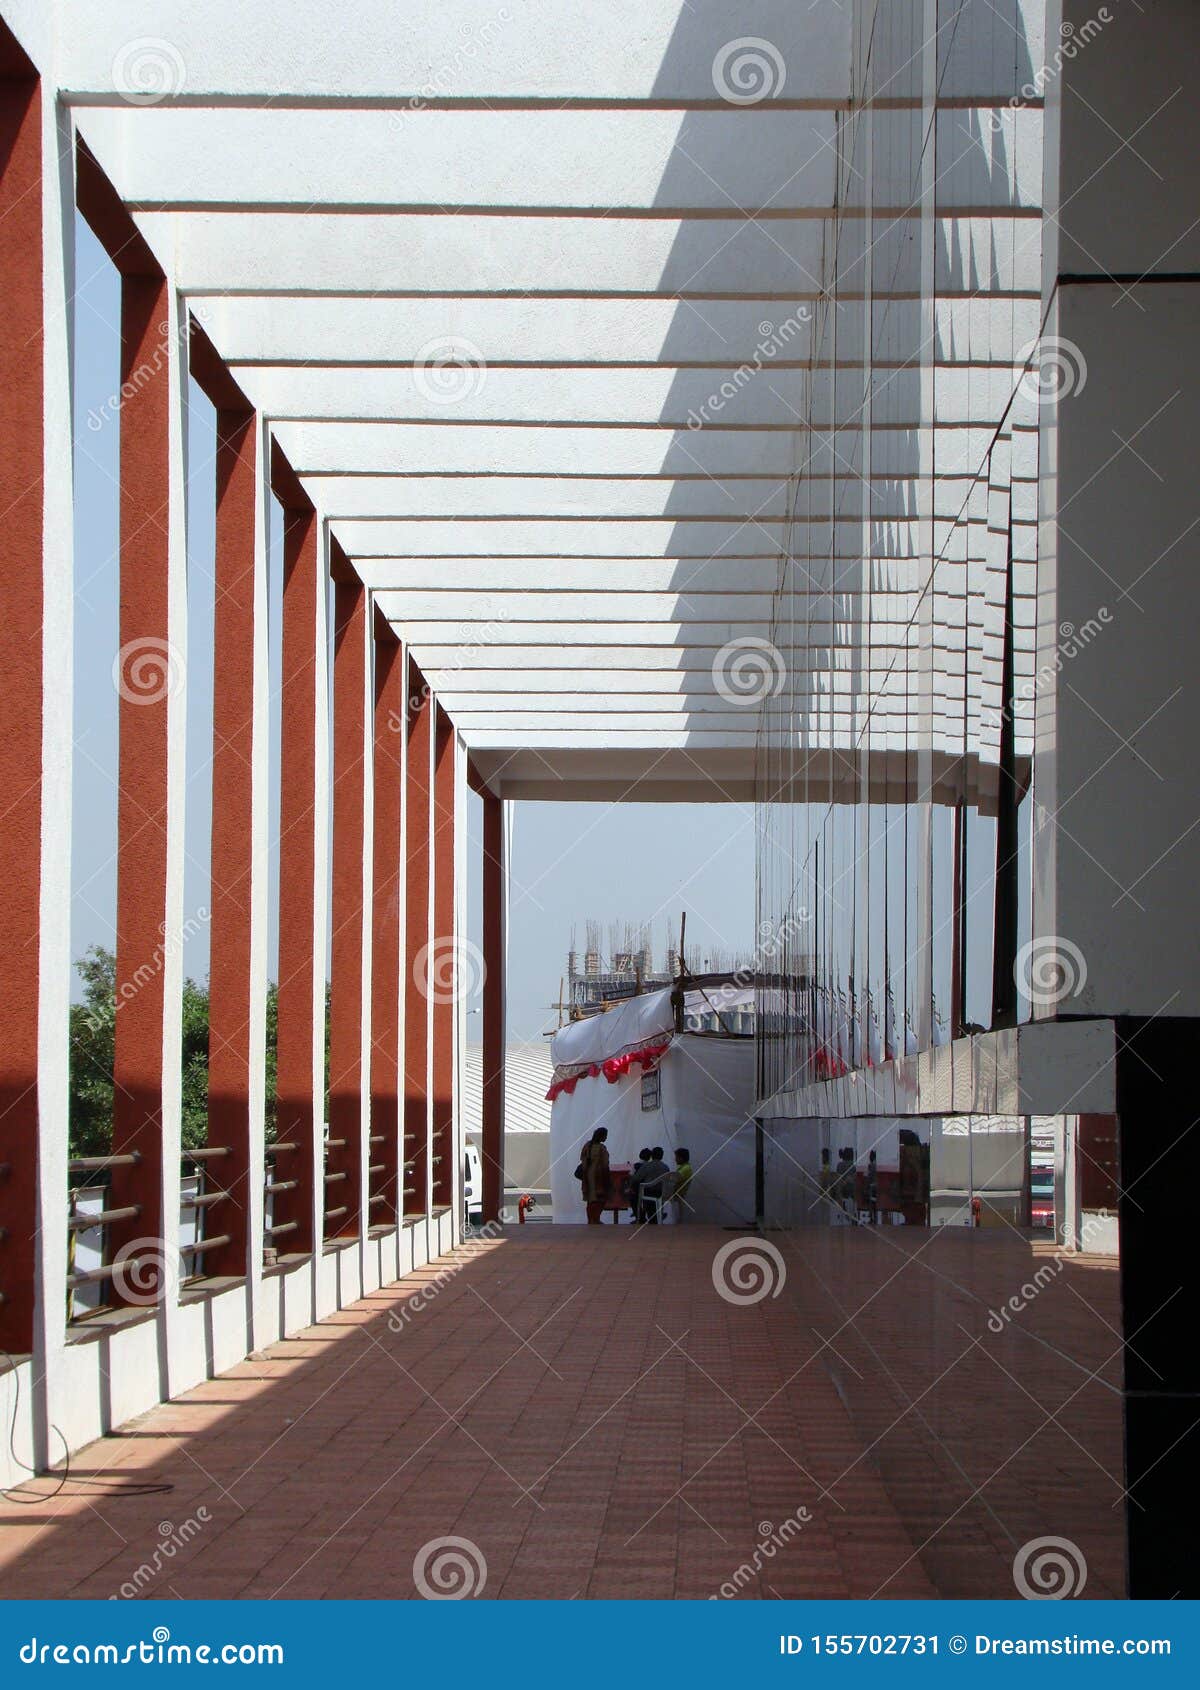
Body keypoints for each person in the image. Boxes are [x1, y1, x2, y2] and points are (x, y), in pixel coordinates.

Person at [579, 1127, 611, 1224]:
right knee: (600, 1199)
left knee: (590, 1199)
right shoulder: (602, 1148)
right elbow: (605, 1164)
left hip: (587, 1175)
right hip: (598, 1177)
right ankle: (596, 1219)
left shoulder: (587, 1146)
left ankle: (590, 1220)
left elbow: (582, 1159)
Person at [632, 1145, 670, 1223]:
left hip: (649, 1192)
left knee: (633, 1197)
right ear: (662, 1156)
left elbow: (636, 1178)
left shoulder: (647, 1165)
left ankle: (641, 1217)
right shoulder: (666, 1167)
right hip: (661, 1192)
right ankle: (656, 1217)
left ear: (652, 1156)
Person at [626, 1147, 651, 1222]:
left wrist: (630, 1187)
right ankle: (642, 1216)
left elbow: (631, 1176)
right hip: (648, 1189)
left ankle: (638, 1217)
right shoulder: (650, 1166)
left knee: (633, 1200)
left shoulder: (636, 1165)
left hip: (637, 1189)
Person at [669, 1146, 693, 1223]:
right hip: (678, 1195)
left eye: (677, 1157)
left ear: (681, 1158)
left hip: (676, 1195)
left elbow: (674, 1180)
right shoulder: (685, 1168)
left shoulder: (685, 1169)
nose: (675, 1159)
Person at [864, 1149, 879, 1226]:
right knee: (875, 1203)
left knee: (871, 1203)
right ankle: (875, 1217)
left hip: (872, 1187)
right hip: (877, 1187)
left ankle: (871, 1217)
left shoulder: (870, 1166)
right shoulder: (878, 1165)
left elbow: (868, 1177)